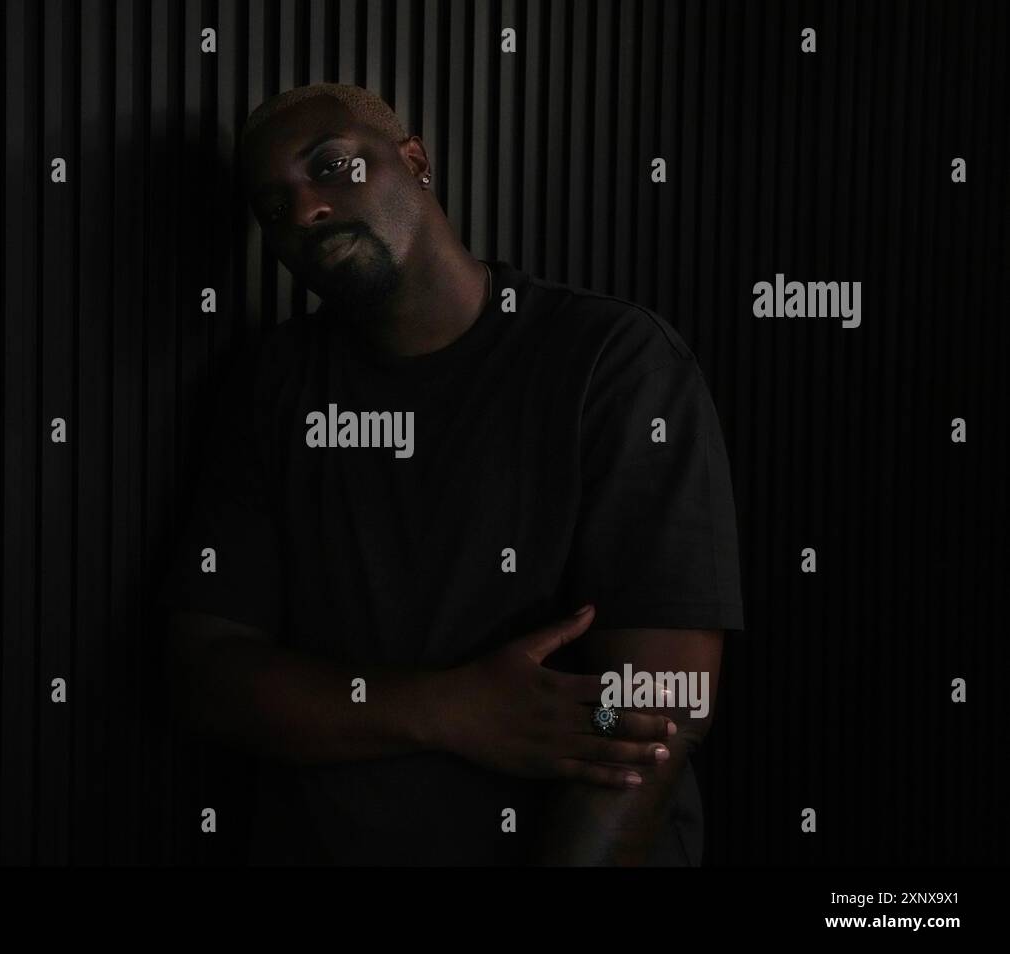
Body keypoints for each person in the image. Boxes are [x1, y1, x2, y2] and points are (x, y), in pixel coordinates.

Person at [165, 82, 744, 865]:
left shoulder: (611, 362)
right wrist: (447, 709)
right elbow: (208, 677)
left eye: (332, 167)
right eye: (274, 207)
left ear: (415, 162)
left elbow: (655, 714)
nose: (305, 212)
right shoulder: (271, 387)